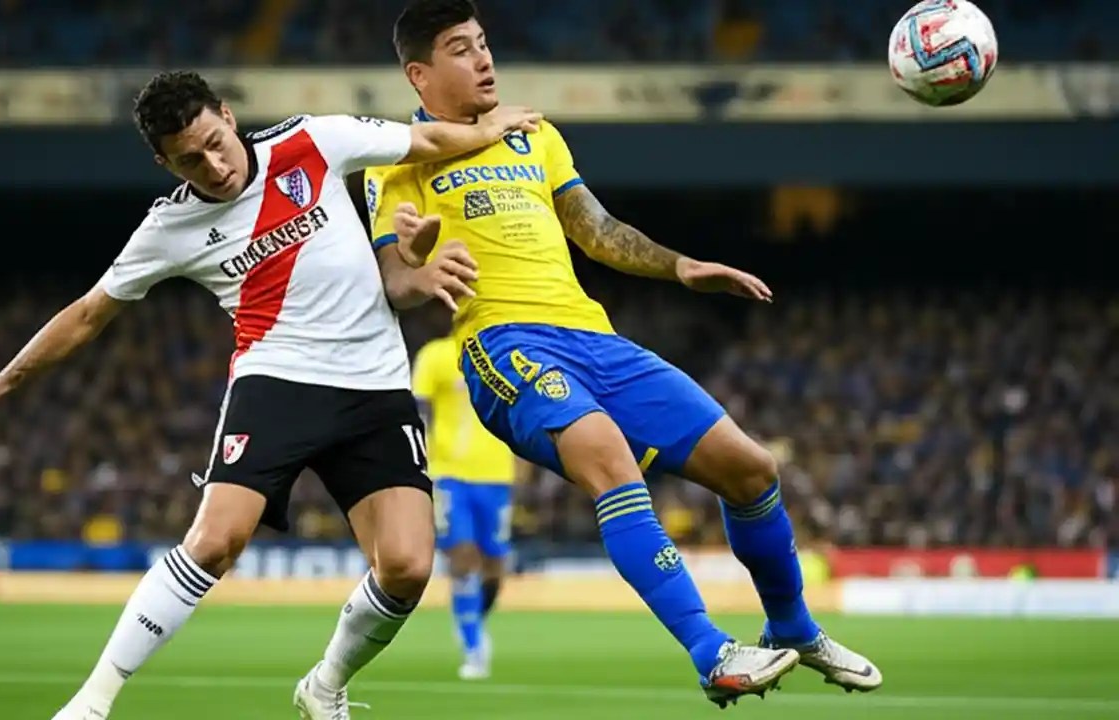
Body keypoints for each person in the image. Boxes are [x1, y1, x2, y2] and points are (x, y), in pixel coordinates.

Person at [0, 69, 540, 720]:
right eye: (188, 160)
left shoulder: (313, 140)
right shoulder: (171, 226)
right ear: (165, 162)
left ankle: (325, 685)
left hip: (374, 383)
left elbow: (422, 142)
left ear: (227, 114)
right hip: (277, 381)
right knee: (215, 541)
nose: (213, 164)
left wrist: (486, 127)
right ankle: (92, 702)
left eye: (215, 141)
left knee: (408, 568)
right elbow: (86, 315)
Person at [365, 0, 883, 708]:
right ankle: (712, 652)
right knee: (606, 457)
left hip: (595, 340)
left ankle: (791, 627)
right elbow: (395, 280)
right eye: (461, 49)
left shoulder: (533, 135)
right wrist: (420, 269)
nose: (484, 58)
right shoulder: (394, 156)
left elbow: (596, 229)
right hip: (503, 345)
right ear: (419, 73)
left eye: (484, 43)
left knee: (752, 469)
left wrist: (679, 266)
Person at [412, 306, 536, 679]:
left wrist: (526, 463)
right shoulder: (435, 356)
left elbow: (524, 413)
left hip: (496, 474)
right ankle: (473, 644)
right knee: (462, 557)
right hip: (449, 473)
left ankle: (469, 616)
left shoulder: (508, 357)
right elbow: (419, 411)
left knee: (496, 567)